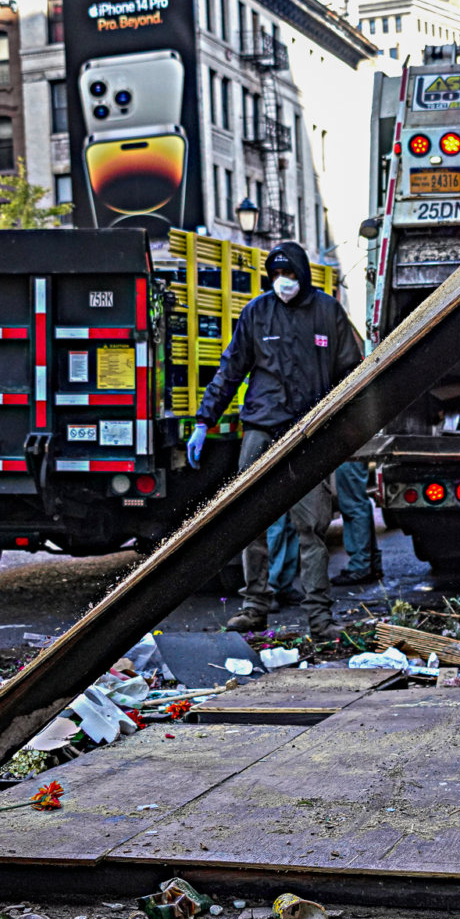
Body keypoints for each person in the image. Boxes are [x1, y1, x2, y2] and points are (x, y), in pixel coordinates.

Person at [188, 241, 361, 638]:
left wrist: (344, 429)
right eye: (277, 275)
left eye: (290, 274)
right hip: (262, 429)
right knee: (251, 520)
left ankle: (319, 618)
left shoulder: (328, 312)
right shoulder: (257, 312)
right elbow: (231, 369)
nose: (283, 282)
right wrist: (203, 420)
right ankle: (254, 607)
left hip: (309, 433)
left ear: (304, 275)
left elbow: (351, 373)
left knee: (312, 527)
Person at [331, 459, 382, 586]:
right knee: (358, 503)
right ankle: (370, 564)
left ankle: (361, 566)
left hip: (347, 455)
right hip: (352, 456)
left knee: (353, 505)